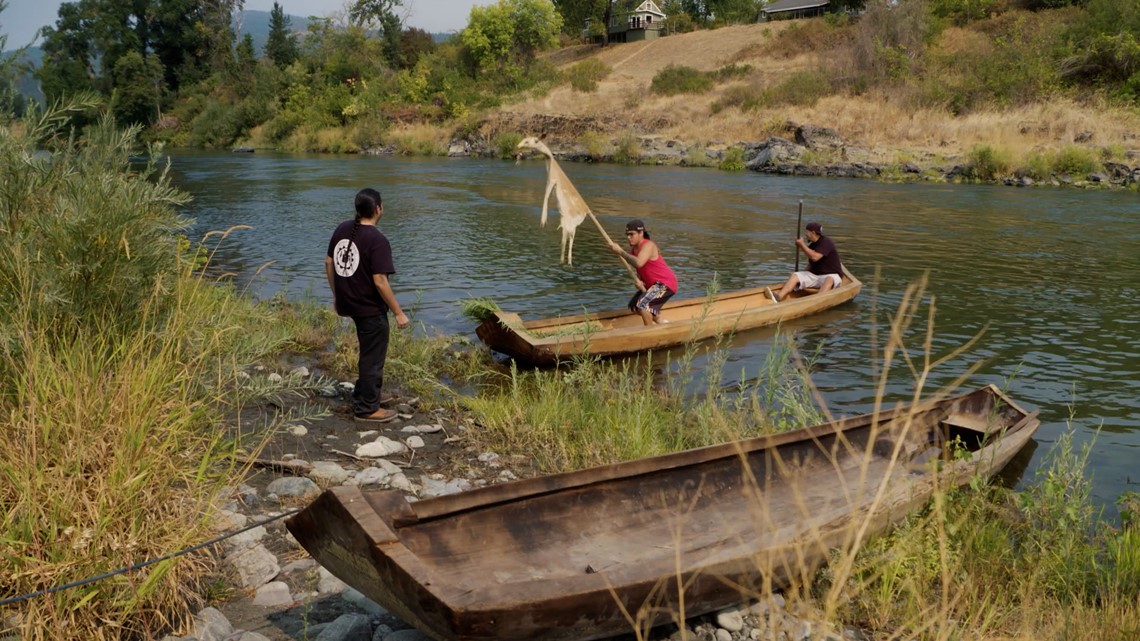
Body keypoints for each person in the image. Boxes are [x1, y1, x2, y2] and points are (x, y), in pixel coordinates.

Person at [326, 188, 410, 423]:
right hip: (369, 307)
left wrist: (337, 295)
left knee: (368, 350)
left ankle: (365, 394)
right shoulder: (377, 239)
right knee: (373, 356)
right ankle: (367, 408)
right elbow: (380, 281)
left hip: (348, 302)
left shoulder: (343, 228)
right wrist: (398, 312)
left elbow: (329, 262)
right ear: (378, 209)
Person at [608, 219, 678, 326]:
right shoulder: (633, 251)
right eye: (627, 234)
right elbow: (641, 270)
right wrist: (640, 281)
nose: (628, 237)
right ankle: (661, 321)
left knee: (644, 305)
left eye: (631, 234)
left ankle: (649, 333)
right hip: (652, 285)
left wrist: (620, 252)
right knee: (634, 306)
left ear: (641, 233)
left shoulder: (648, 245)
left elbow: (639, 263)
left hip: (665, 283)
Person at [771, 221, 843, 303]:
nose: (806, 234)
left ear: (813, 232)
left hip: (832, 275)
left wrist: (802, 244)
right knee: (795, 276)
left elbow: (815, 257)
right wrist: (801, 275)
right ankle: (778, 297)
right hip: (816, 276)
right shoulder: (812, 245)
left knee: (829, 279)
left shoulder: (826, 242)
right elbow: (812, 263)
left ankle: (817, 301)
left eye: (807, 232)